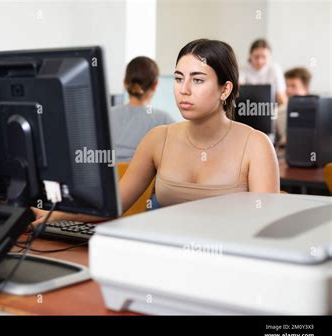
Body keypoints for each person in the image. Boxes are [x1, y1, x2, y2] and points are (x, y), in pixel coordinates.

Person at [32, 39, 280, 226]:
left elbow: (266, 229)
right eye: (178, 78)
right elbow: (114, 206)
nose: (184, 90)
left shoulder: (256, 145)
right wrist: (53, 216)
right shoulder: (159, 138)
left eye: (197, 80)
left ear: (225, 90)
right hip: (163, 262)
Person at [110, 56, 174, 163]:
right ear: (155, 85)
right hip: (145, 179)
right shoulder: (164, 120)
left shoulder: (105, 116)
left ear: (125, 83)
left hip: (109, 178)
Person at [239, 39, 287, 106]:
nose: (260, 61)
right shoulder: (243, 69)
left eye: (264, 57)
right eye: (256, 57)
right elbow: (238, 92)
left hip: (270, 108)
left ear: (270, 56)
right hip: (247, 107)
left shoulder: (275, 69)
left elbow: (281, 97)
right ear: (250, 56)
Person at [276, 67, 312, 146]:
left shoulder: (320, 111)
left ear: (306, 88)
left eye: (293, 86)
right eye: (287, 86)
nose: (288, 91)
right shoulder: (278, 112)